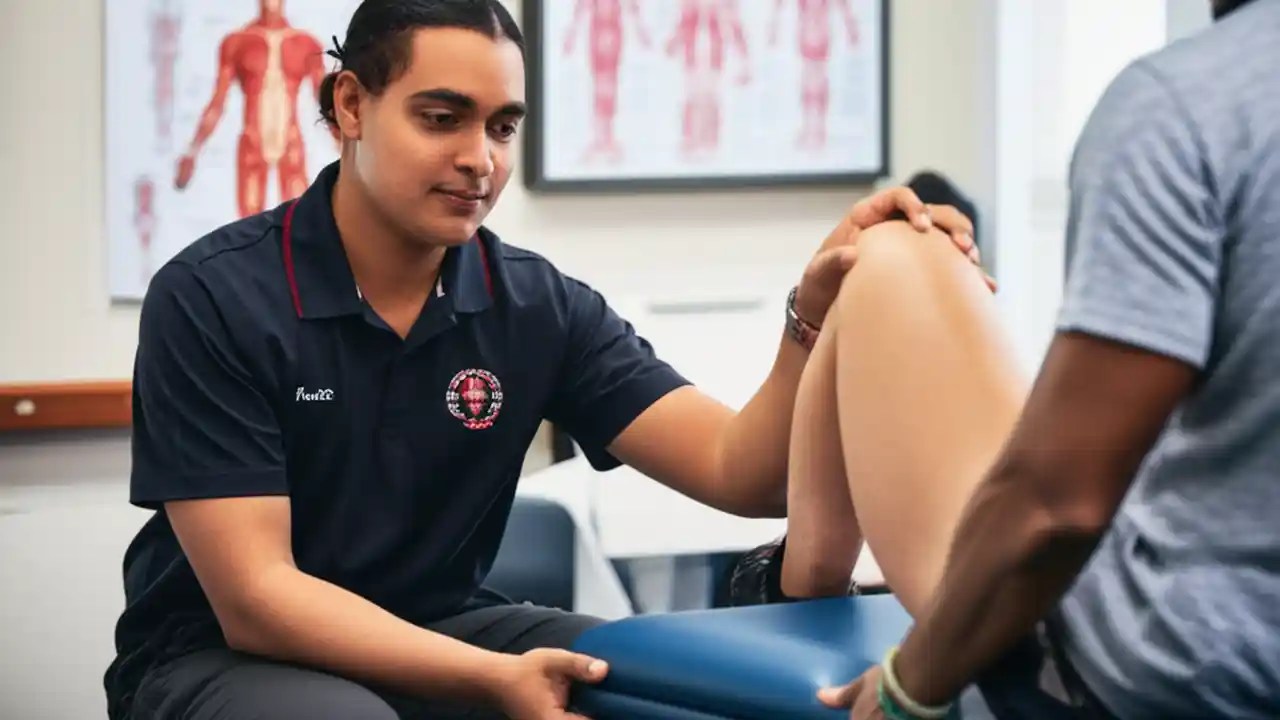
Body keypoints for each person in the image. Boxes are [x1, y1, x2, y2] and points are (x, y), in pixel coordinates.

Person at [103, 2, 986, 719]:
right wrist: (484, 679)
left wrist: (813, 313)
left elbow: (740, 472)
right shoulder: (216, 297)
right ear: (349, 105)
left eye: (503, 125)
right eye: (441, 118)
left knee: (653, 689)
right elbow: (259, 600)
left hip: (451, 623)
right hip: (217, 654)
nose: (479, 159)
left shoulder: (535, 304)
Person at [728, 0, 1280, 718]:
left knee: (897, 249)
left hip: (1169, 681)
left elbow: (1057, 508)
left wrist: (906, 687)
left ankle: (795, 589)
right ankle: (798, 584)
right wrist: (805, 315)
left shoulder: (1191, 103)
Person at [174, 0, 326, 217]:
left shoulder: (306, 44)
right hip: (252, 144)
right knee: (249, 232)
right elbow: (218, 103)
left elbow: (327, 104)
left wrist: (351, 154)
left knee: (300, 226)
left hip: (290, 145)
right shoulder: (237, 43)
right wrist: (192, 151)